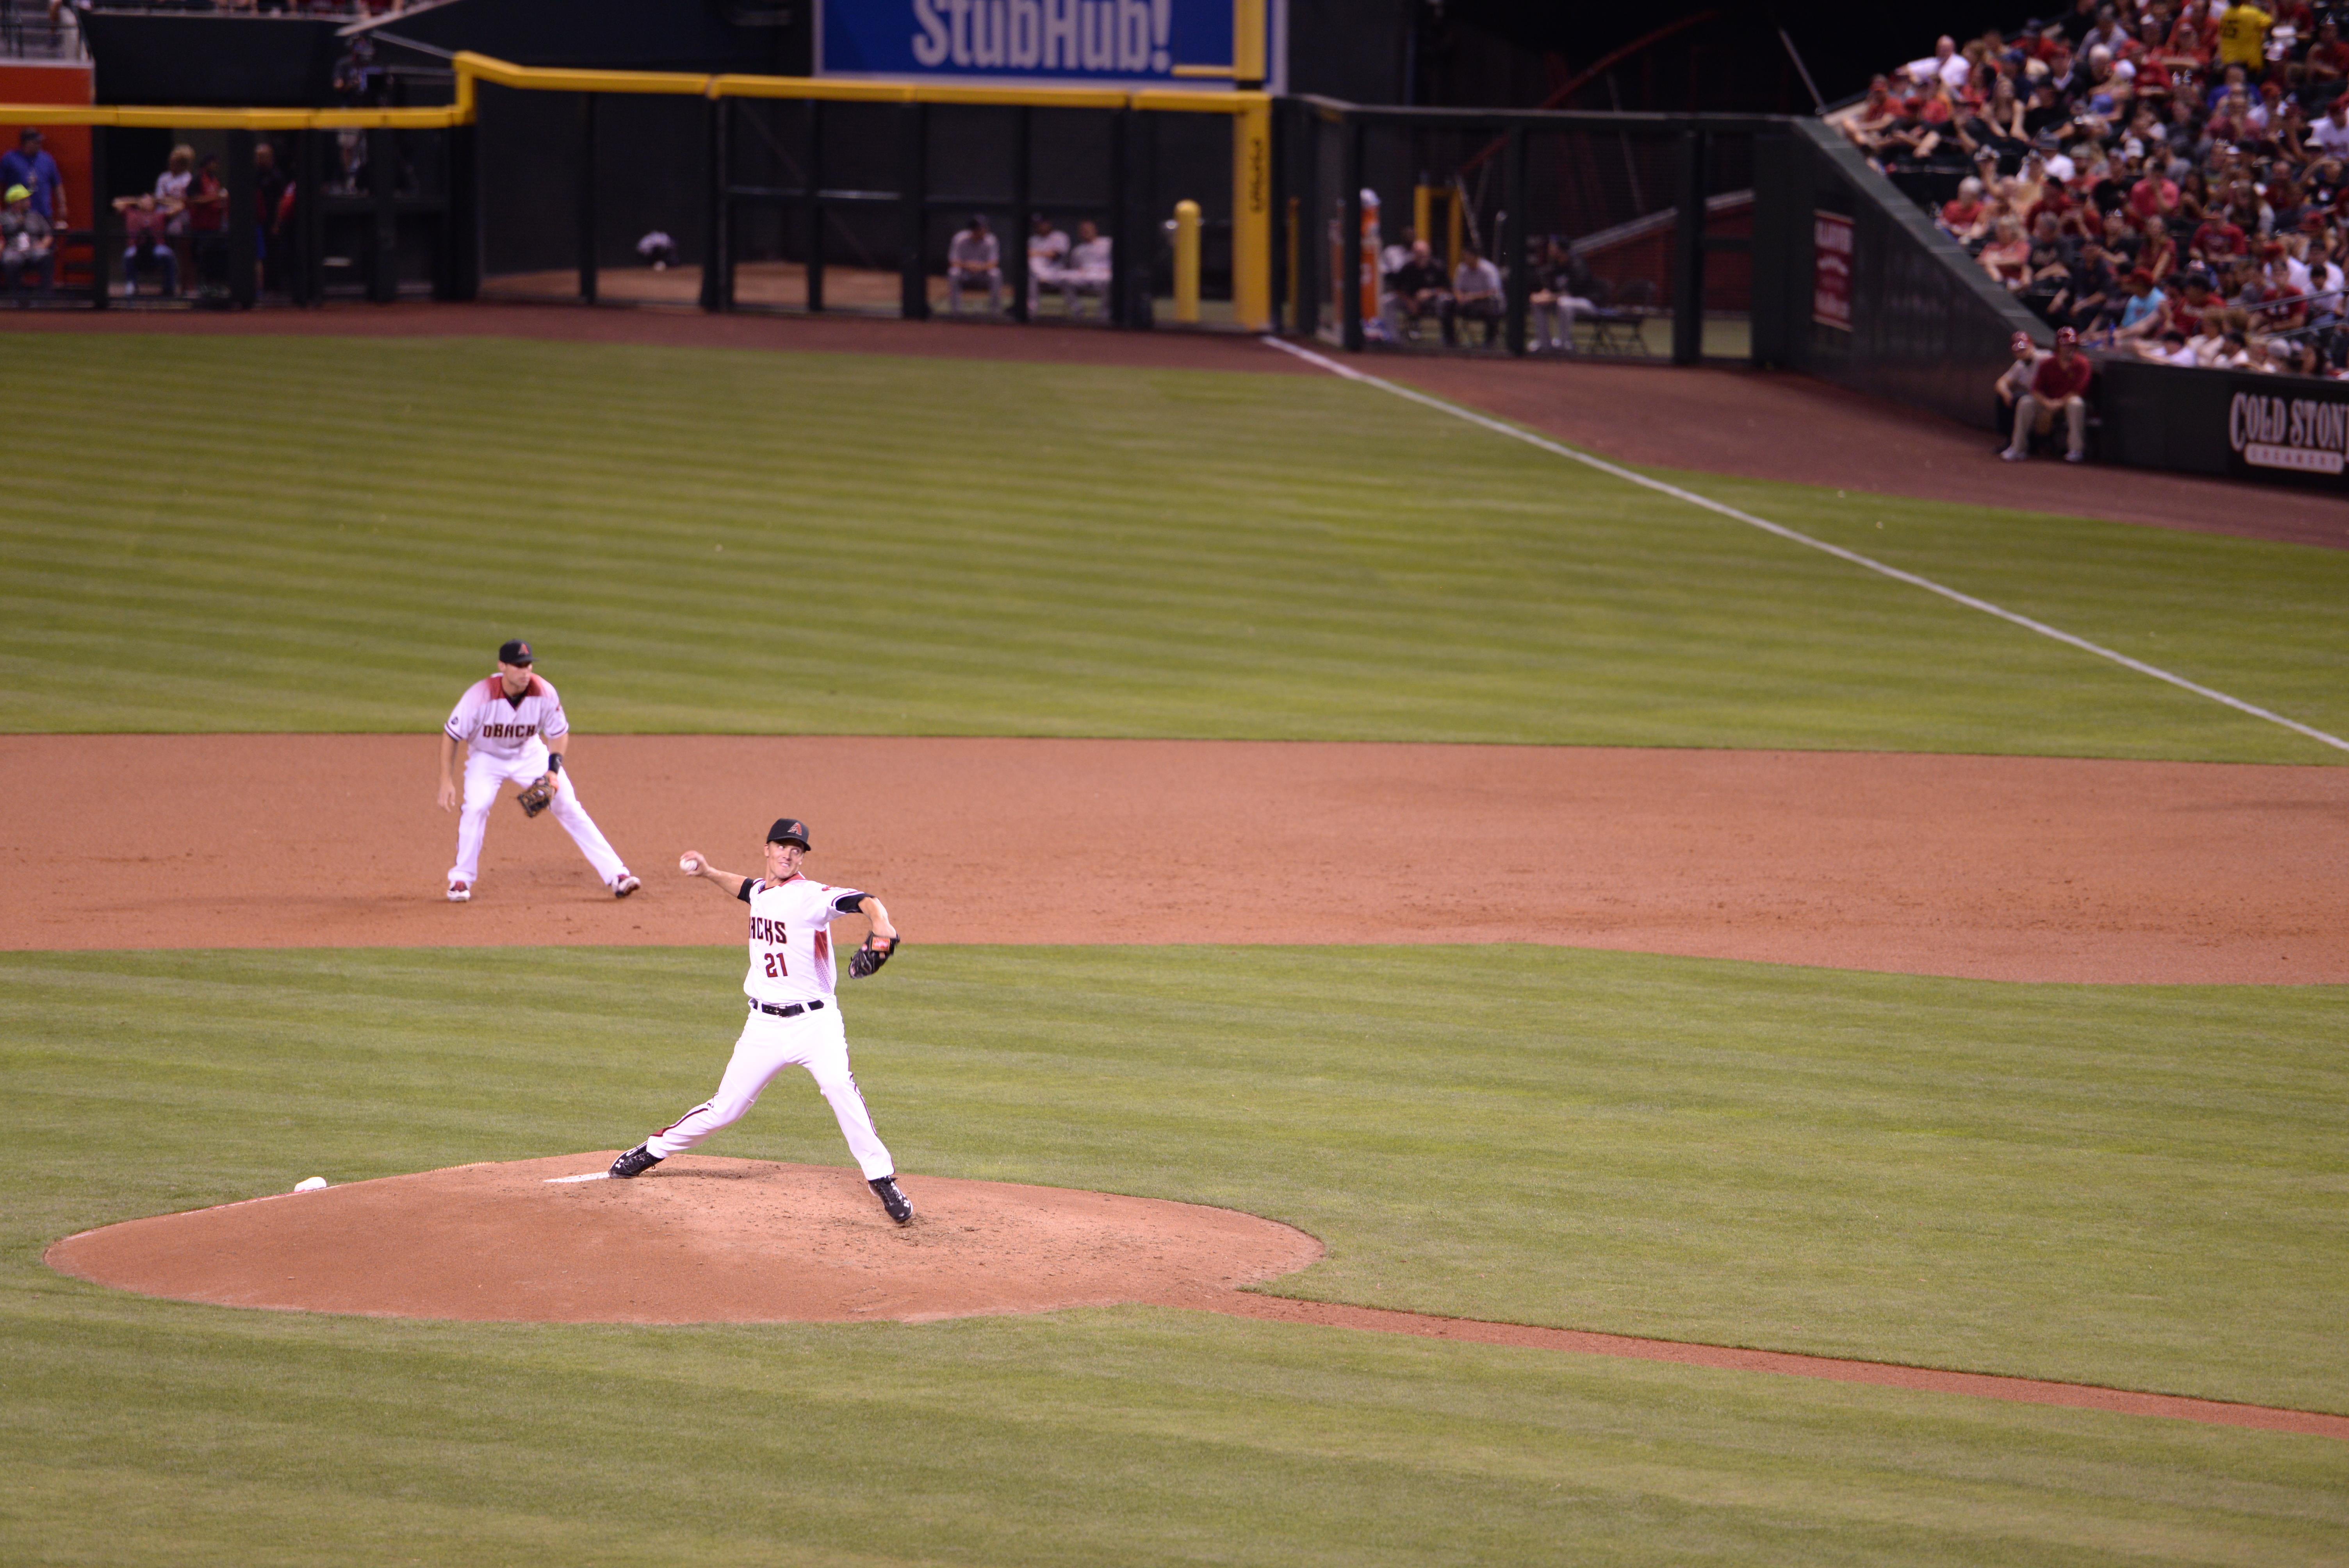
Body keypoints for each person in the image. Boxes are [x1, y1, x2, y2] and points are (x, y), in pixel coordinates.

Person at [606, 816, 914, 1228]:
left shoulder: (811, 895)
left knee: (839, 1085)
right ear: (767, 849)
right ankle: (653, 1150)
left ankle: (882, 1179)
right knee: (725, 1109)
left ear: (802, 856)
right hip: (763, 1027)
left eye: (797, 849)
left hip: (814, 1024)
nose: (789, 853)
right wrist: (710, 872)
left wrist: (881, 923)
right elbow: (747, 888)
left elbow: (865, 900)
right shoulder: (762, 891)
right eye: (783, 846)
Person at [436, 639, 638, 903]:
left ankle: (618, 875)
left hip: (529, 753)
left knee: (568, 805)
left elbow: (559, 734)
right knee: (476, 806)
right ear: (502, 666)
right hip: (486, 757)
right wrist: (445, 781)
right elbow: (451, 736)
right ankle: (460, 880)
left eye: (528, 665)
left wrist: (553, 772)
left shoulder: (544, 692)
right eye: (518, 666)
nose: (525, 671)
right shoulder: (480, 695)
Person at [2003, 324, 2094, 461]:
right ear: (2058, 347)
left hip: (2069, 403)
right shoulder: (2048, 364)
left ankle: (2076, 450)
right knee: (2026, 402)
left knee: (2076, 404)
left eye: (2072, 345)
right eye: (2066, 346)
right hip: (2050, 402)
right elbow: (2036, 390)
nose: (2069, 349)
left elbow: (2078, 391)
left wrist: (2056, 406)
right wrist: (2047, 404)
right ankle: (2018, 448)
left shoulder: (2082, 363)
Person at [0, 128, 66, 229]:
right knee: (20, 243)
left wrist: (62, 205)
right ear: (27, 143)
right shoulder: (10, 159)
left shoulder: (47, 159)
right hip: (18, 215)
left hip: (43, 212)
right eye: (37, 142)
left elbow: (57, 183)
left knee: (47, 241)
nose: (40, 145)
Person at [1442, 245, 1504, 346]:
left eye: (1468, 257)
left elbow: (1493, 292)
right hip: (1467, 304)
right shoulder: (1462, 269)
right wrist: (1460, 298)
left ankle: (1490, 342)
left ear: (1476, 257)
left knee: (1492, 309)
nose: (1465, 259)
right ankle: (1450, 341)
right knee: (1446, 305)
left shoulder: (1488, 270)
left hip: (1486, 303)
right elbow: (1457, 289)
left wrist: (1471, 297)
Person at [2, 183, 55, 296]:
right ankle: (15, 295)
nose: (29, 201)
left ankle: (45, 294)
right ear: (16, 202)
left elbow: (48, 234)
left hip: (34, 248)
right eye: (26, 199)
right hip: (14, 250)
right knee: (10, 260)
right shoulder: (4, 217)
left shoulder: (35, 216)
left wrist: (43, 244)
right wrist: (19, 222)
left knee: (46, 256)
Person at [946, 212, 1002, 314]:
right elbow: (953, 261)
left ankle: (995, 312)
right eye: (981, 228)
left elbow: (994, 263)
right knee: (953, 273)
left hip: (983, 274)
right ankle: (956, 312)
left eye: (985, 228)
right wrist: (968, 266)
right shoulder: (960, 239)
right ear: (973, 230)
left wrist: (980, 267)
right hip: (965, 274)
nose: (984, 230)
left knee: (996, 273)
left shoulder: (991, 240)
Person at [1060, 218, 1111, 315]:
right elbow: (1075, 268)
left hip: (1104, 275)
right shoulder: (1078, 250)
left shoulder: (1107, 242)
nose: (1086, 232)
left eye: (1088, 229)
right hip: (1086, 276)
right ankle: (1078, 310)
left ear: (1095, 230)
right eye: (1083, 230)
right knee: (1064, 278)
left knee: (1111, 281)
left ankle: (1104, 313)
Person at [1026, 212, 1069, 312]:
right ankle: (1031, 309)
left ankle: (1077, 311)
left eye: (1041, 223)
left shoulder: (1060, 236)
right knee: (1031, 271)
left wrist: (1036, 253)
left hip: (1056, 274)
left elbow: (1056, 255)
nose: (1039, 226)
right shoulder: (1033, 240)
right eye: (1036, 224)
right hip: (1036, 276)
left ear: (1048, 224)